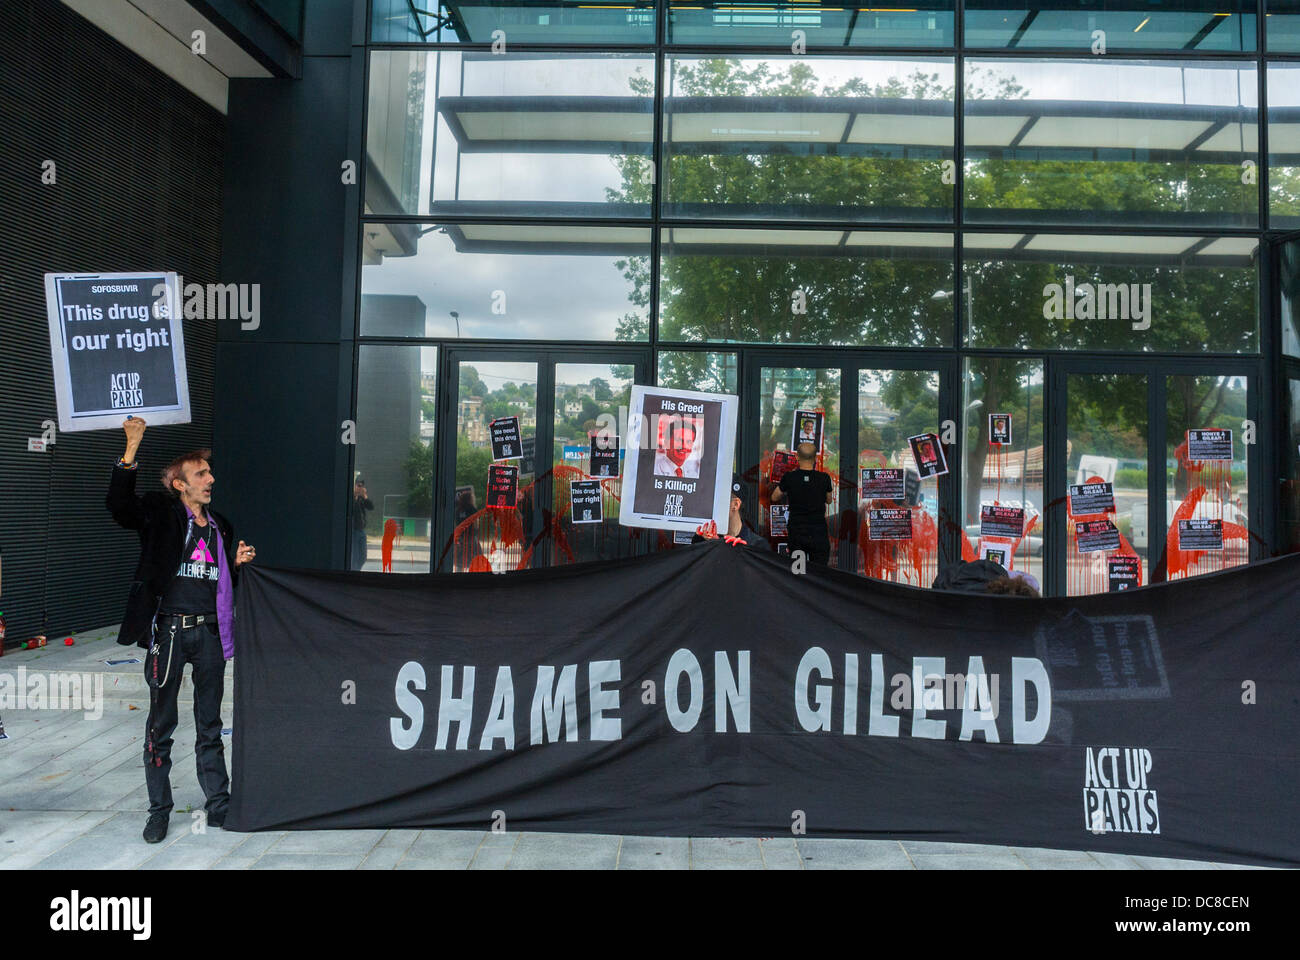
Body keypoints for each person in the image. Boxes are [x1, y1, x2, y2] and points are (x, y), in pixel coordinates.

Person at [106, 417, 255, 844]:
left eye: (209, 473)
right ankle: (159, 811)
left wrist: (238, 563)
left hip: (208, 634)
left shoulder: (221, 526)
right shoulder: (160, 515)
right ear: (179, 485)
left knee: (210, 724)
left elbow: (220, 582)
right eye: (201, 474)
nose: (211, 479)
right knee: (161, 726)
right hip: (168, 634)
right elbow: (119, 505)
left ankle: (219, 804)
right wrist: (132, 446)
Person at [770, 442, 833, 564]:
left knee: (798, 572)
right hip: (818, 532)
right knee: (820, 572)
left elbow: (774, 497)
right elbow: (829, 500)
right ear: (815, 458)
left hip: (797, 532)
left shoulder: (789, 477)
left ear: (797, 457)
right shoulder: (824, 478)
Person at [693, 475, 770, 550]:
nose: (709, 503)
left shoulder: (757, 545)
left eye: (716, 498)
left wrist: (741, 553)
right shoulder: (701, 540)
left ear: (735, 504)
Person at [351, 477, 373, 571]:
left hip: (361, 531)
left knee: (363, 557)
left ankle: (356, 571)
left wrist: (365, 496)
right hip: (353, 531)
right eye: (358, 485)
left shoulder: (361, 499)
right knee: (354, 557)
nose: (360, 488)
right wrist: (354, 496)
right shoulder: (351, 498)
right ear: (354, 486)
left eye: (362, 486)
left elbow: (371, 507)